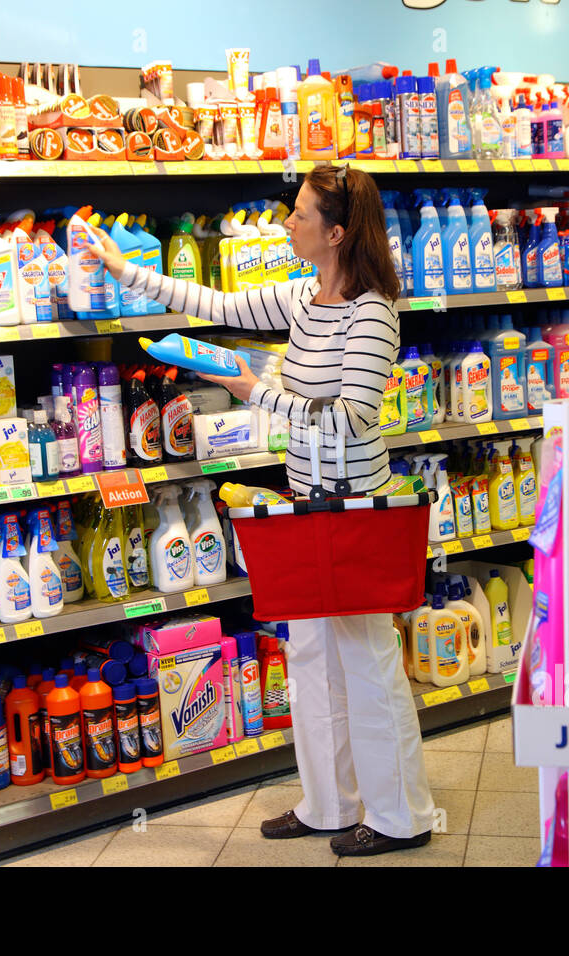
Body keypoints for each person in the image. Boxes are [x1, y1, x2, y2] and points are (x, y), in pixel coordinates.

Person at [81, 165, 435, 857]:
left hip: (356, 509)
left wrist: (256, 390)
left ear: (336, 232)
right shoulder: (306, 297)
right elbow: (217, 301)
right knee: (308, 656)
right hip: (306, 503)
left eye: (300, 215)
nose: (286, 223)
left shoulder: (373, 313)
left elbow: (353, 420)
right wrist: (125, 269)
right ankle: (328, 804)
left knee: (367, 661)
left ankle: (403, 817)